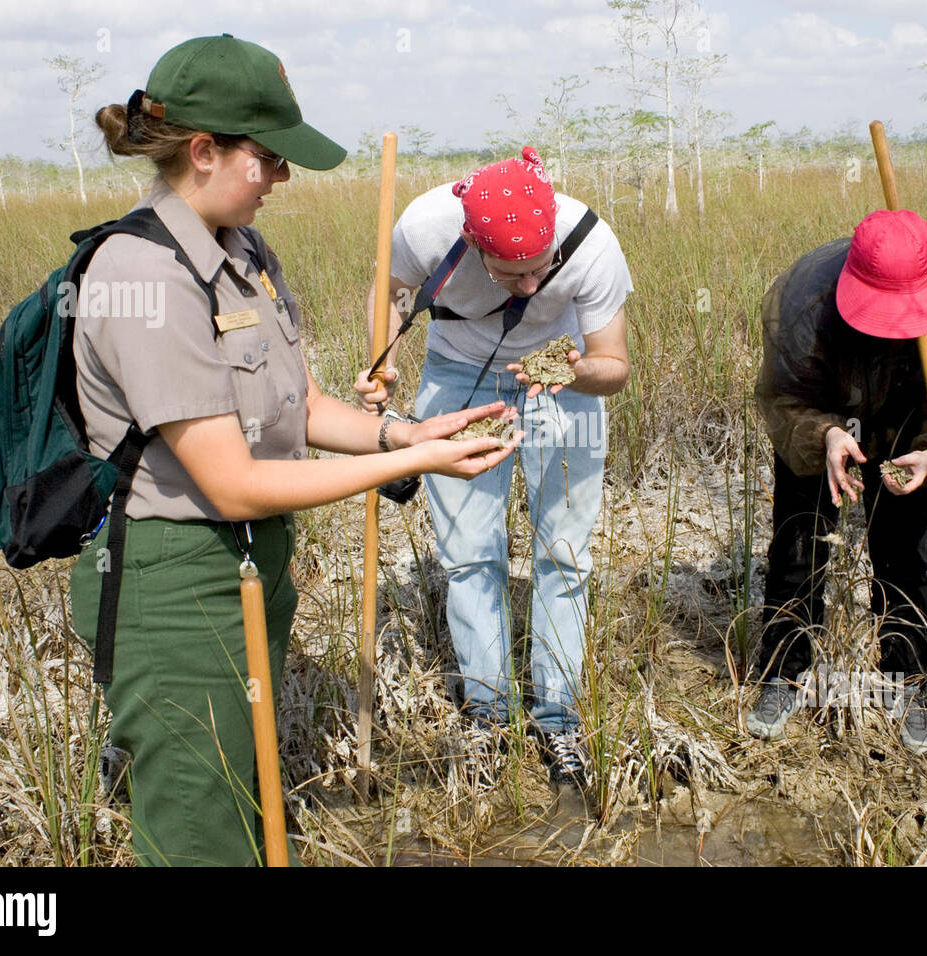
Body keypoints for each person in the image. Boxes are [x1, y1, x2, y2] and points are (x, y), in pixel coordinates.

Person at [70, 34, 518, 866]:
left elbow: (301, 405)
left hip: (252, 561)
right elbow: (233, 482)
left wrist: (402, 432)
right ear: (203, 152)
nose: (283, 178)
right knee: (199, 830)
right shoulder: (142, 276)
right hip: (173, 579)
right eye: (269, 158)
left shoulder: (244, 252)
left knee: (240, 787)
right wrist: (411, 466)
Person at [355, 147, 632, 786]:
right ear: (474, 246)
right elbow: (391, 291)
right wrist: (382, 357)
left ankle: (558, 717)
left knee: (564, 552)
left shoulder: (589, 242)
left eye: (540, 271)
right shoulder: (426, 226)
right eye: (511, 275)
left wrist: (568, 370)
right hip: (458, 371)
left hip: (564, 381)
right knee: (470, 552)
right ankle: (488, 713)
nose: (530, 287)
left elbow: (613, 366)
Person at [750, 210, 927, 754]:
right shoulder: (806, 301)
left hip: (908, 414)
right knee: (799, 539)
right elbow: (784, 399)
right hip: (822, 408)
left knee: (904, 549)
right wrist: (825, 437)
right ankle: (784, 673)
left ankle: (906, 679)